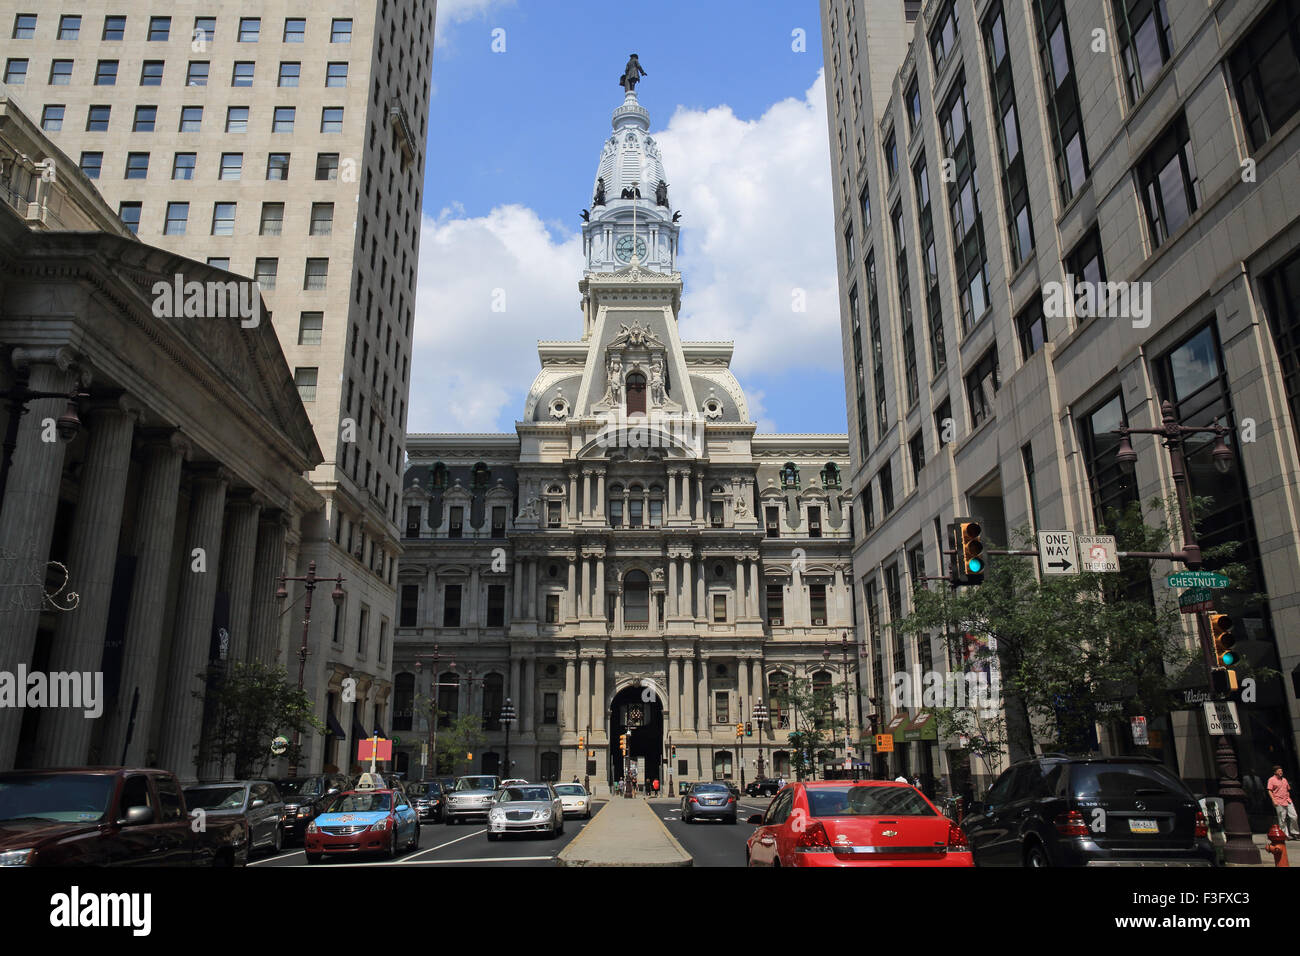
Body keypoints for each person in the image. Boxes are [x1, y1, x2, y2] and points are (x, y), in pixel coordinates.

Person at [1268, 766, 1300, 839]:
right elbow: (1269, 790)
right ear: (1275, 772)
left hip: (1287, 800)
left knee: (1294, 816)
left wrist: (1288, 795)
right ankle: (1285, 834)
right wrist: (1273, 800)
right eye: (1279, 771)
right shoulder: (1271, 780)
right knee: (1282, 818)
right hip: (1278, 801)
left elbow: (1288, 789)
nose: (1281, 772)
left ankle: (1295, 832)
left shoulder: (1284, 780)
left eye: (1281, 771)